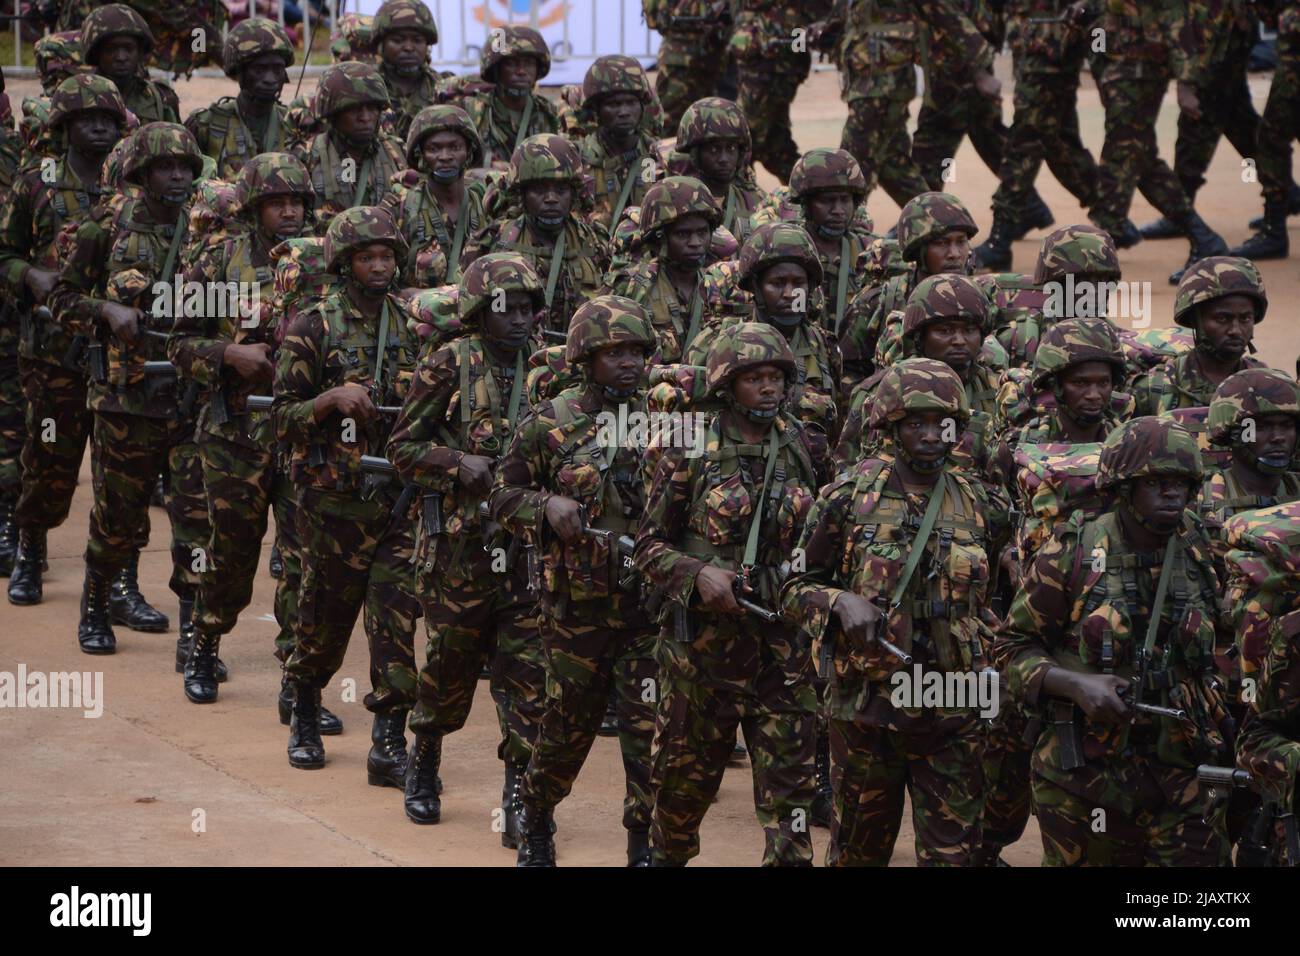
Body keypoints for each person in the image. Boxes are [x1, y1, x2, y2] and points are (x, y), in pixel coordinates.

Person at [782, 357, 996, 864]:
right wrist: (840, 601)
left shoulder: (982, 502)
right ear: (890, 426)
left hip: (953, 712)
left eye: (941, 423)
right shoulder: (848, 497)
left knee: (954, 856)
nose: (929, 435)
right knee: (858, 852)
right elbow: (794, 587)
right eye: (914, 423)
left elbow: (1000, 602)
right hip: (867, 713)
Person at [995, 416, 1233, 865]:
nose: (1173, 494)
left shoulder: (1202, 549)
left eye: (1182, 483)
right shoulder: (1071, 552)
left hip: (1182, 767)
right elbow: (1010, 649)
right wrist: (1075, 685)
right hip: (1083, 774)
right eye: (1157, 483)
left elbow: (1229, 638)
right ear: (1123, 487)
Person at [635, 321, 820, 866]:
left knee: (792, 801)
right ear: (726, 384)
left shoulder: (806, 445)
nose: (768, 388)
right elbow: (645, 545)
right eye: (753, 378)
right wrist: (695, 575)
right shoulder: (689, 445)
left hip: (781, 653)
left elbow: (828, 540)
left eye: (776, 378)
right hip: (702, 659)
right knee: (680, 794)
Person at [492, 295, 660, 866]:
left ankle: (644, 842)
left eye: (637, 351)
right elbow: (500, 496)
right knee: (565, 730)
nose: (629, 363)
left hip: (648, 610)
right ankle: (536, 819)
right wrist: (544, 505)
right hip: (576, 613)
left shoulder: (669, 420)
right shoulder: (548, 423)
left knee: (649, 735)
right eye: (615, 352)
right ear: (586, 357)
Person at [386, 254, 548, 846]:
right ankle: (424, 753)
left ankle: (519, 793)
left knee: (529, 676)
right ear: (481, 313)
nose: (520, 318)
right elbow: (402, 448)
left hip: (528, 552)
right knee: (449, 668)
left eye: (529, 308)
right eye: (507, 308)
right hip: (461, 550)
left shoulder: (547, 370)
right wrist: (456, 464)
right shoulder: (449, 364)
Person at [167, 153, 324, 717]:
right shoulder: (217, 259)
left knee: (305, 562)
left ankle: (297, 683)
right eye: (277, 202)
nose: (289, 211)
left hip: (304, 435)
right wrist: (229, 353)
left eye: (297, 201)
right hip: (235, 433)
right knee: (229, 556)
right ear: (255, 207)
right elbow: (178, 344)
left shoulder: (323, 258)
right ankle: (205, 641)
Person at [272, 206, 421, 780]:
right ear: (344, 264)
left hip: (399, 505)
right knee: (323, 622)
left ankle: (388, 744)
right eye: (367, 257)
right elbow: (278, 419)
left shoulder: (413, 323)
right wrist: (328, 401)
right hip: (335, 504)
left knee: (396, 627)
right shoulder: (313, 326)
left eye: (387, 256)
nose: (380, 266)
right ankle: (305, 711)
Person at [49, 122, 209, 654]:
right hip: (126, 400)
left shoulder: (208, 229)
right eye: (167, 166)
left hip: (192, 401)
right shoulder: (105, 227)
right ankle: (97, 605)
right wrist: (106, 309)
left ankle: (195, 631)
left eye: (186, 167)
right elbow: (63, 299)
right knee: (118, 517)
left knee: (197, 523)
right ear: (143, 172)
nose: (179, 175)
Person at [1, 75, 127, 607]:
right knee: (48, 457)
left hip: (121, 357)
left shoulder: (131, 182)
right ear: (64, 125)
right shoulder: (38, 181)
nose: (98, 126)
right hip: (52, 352)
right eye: (85, 118)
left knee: (122, 474)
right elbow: (4, 252)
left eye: (107, 118)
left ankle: (120, 580)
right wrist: (30, 277)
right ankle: (31, 551)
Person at [461, 134, 610, 337]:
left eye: (560, 190)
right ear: (522, 194)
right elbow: (466, 307)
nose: (551, 198)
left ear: (573, 193)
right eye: (539, 190)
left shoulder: (595, 241)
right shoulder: (493, 242)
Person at [605, 175, 722, 364]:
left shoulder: (721, 286)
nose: (696, 243)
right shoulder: (631, 287)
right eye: (683, 234)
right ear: (660, 238)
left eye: (702, 232)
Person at [1130, 257, 1268, 416]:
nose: (1235, 330)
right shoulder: (1153, 389)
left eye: (1245, 318)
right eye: (1222, 319)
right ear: (1195, 320)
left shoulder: (1267, 385)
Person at [382, 105, 487, 289]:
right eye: (434, 149)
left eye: (455, 147)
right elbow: (381, 279)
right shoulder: (401, 208)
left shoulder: (486, 204)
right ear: (421, 154)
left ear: (468, 151)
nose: (445, 157)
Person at [297, 62, 406, 229]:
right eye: (353, 109)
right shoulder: (305, 156)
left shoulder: (397, 153)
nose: (365, 117)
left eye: (372, 108)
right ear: (333, 114)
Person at [185, 18, 295, 180]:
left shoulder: (293, 124)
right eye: (259, 69)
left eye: (277, 69)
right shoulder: (206, 126)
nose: (270, 79)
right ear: (240, 73)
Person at [576, 55, 664, 234]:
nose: (624, 112)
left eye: (631, 103)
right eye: (613, 104)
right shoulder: (577, 158)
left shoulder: (659, 156)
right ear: (597, 110)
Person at [461, 25, 561, 168]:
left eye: (529, 63)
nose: (521, 71)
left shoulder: (549, 114)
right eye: (511, 63)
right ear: (496, 69)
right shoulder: (473, 111)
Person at [79, 3, 180, 124]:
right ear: (97, 54)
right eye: (111, 49)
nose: (121, 57)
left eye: (128, 48)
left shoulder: (161, 98)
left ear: (140, 52)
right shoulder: (78, 97)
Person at [372, 0, 441, 142]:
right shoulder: (366, 86)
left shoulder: (442, 88)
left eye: (417, 40)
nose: (409, 47)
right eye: (398, 40)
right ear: (381, 45)